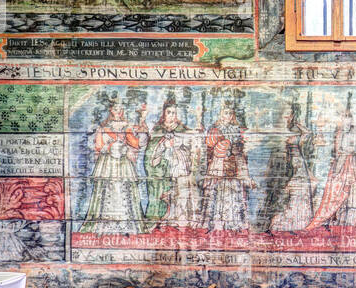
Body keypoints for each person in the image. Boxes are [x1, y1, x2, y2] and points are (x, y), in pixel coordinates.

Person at [81, 98, 148, 236]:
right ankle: (106, 227)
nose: (119, 112)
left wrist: (142, 122)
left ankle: (125, 226)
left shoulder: (126, 127)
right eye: (116, 109)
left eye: (121, 109)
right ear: (111, 110)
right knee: (108, 191)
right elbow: (98, 146)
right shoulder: (103, 127)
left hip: (123, 164)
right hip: (108, 164)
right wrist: (111, 146)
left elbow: (136, 144)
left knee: (123, 190)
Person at [306, 102, 356, 229]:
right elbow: (338, 150)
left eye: (348, 118)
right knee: (335, 189)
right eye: (344, 118)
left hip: (353, 162)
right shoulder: (339, 132)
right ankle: (336, 218)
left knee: (354, 190)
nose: (346, 121)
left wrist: (353, 150)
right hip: (342, 163)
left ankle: (355, 220)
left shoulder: (355, 132)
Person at [143, 94, 202, 229]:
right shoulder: (158, 131)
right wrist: (164, 146)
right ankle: (162, 219)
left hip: (179, 169)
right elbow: (149, 156)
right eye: (169, 112)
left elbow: (193, 146)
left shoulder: (183, 130)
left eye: (174, 113)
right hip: (163, 172)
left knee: (182, 192)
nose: (172, 115)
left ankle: (180, 219)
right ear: (163, 114)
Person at [259, 102, 316, 232]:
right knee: (285, 194)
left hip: (298, 163)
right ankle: (278, 224)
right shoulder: (280, 130)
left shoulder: (294, 128)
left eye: (289, 112)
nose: (287, 115)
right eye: (285, 112)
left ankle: (298, 224)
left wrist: (297, 123)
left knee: (301, 192)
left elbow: (307, 134)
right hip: (286, 163)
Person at [203, 103, 255, 231]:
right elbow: (210, 147)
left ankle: (235, 223)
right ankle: (217, 223)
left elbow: (242, 148)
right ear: (220, 114)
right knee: (218, 190)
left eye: (230, 113)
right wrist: (221, 147)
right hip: (219, 163)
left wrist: (238, 149)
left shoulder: (237, 129)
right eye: (225, 113)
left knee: (235, 192)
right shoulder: (215, 129)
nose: (228, 116)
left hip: (234, 163)